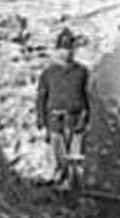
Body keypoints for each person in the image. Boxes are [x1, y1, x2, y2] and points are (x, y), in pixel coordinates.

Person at [36, 28, 89, 191]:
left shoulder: (82, 72)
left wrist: (86, 117)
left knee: (76, 157)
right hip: (55, 119)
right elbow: (41, 97)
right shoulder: (48, 73)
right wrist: (41, 119)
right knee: (57, 155)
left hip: (76, 119)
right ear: (57, 50)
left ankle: (75, 186)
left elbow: (88, 96)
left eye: (70, 49)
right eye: (63, 49)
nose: (66, 53)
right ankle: (58, 186)